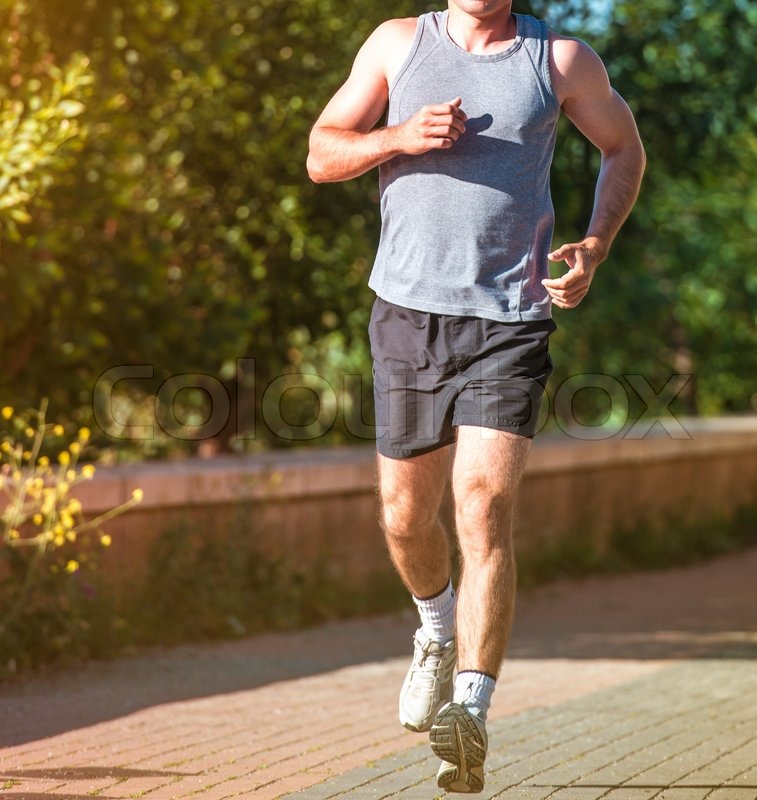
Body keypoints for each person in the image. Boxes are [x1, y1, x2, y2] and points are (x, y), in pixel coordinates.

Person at [307, 0, 645, 792]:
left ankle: (471, 709)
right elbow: (322, 155)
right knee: (403, 516)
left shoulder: (560, 61)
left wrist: (595, 243)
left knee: (485, 505)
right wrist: (398, 136)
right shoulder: (398, 45)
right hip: (408, 313)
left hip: (510, 317)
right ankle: (434, 633)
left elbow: (623, 147)